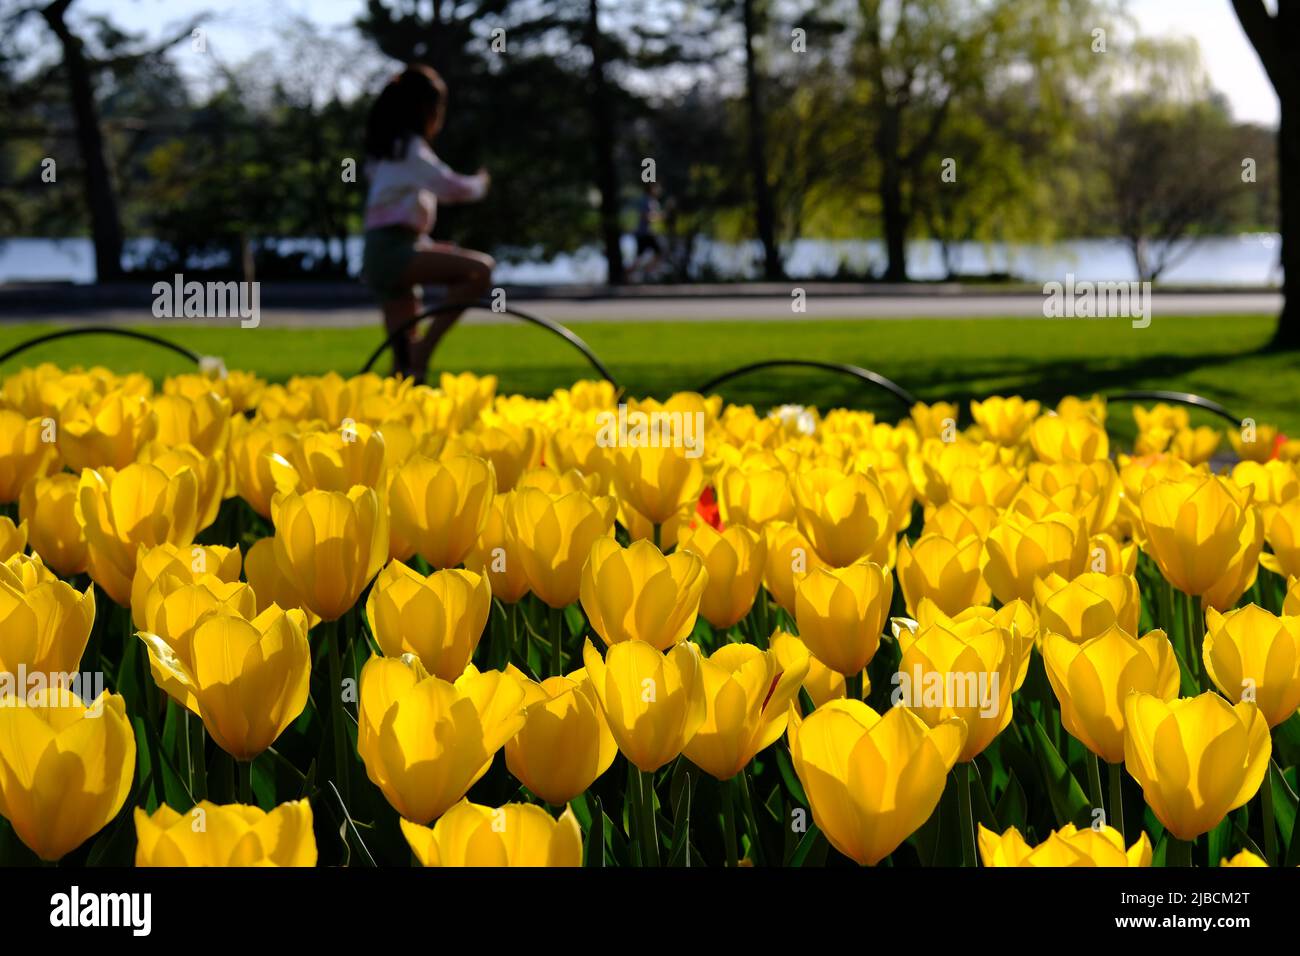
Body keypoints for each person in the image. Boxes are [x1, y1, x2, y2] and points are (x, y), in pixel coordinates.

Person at [361, 64, 494, 382]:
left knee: (404, 367)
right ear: (426, 109)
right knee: (479, 270)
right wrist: (481, 183)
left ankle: (405, 390)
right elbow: (450, 188)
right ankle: (425, 348)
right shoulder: (409, 149)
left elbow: (393, 214)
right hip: (392, 251)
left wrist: (425, 247)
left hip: (383, 251)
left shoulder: (385, 152)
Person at [629, 181, 665, 281]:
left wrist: (659, 217)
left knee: (640, 258)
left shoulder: (652, 201)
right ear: (651, 189)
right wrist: (660, 216)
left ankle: (636, 273)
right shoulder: (646, 200)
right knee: (659, 253)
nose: (658, 190)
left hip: (647, 233)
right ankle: (643, 272)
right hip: (644, 233)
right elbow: (645, 216)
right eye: (656, 188)